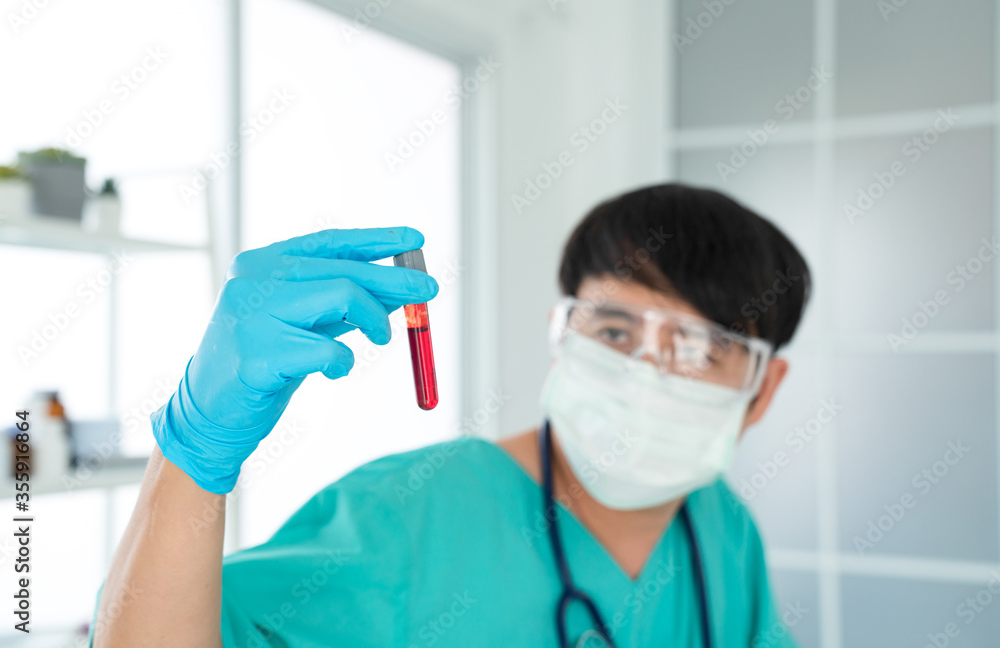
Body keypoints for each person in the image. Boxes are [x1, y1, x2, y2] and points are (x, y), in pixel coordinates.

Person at [89, 183, 810, 647]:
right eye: (615, 331)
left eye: (696, 348)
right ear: (564, 337)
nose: (647, 372)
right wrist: (193, 449)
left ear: (762, 389)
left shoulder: (720, 526)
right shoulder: (407, 515)